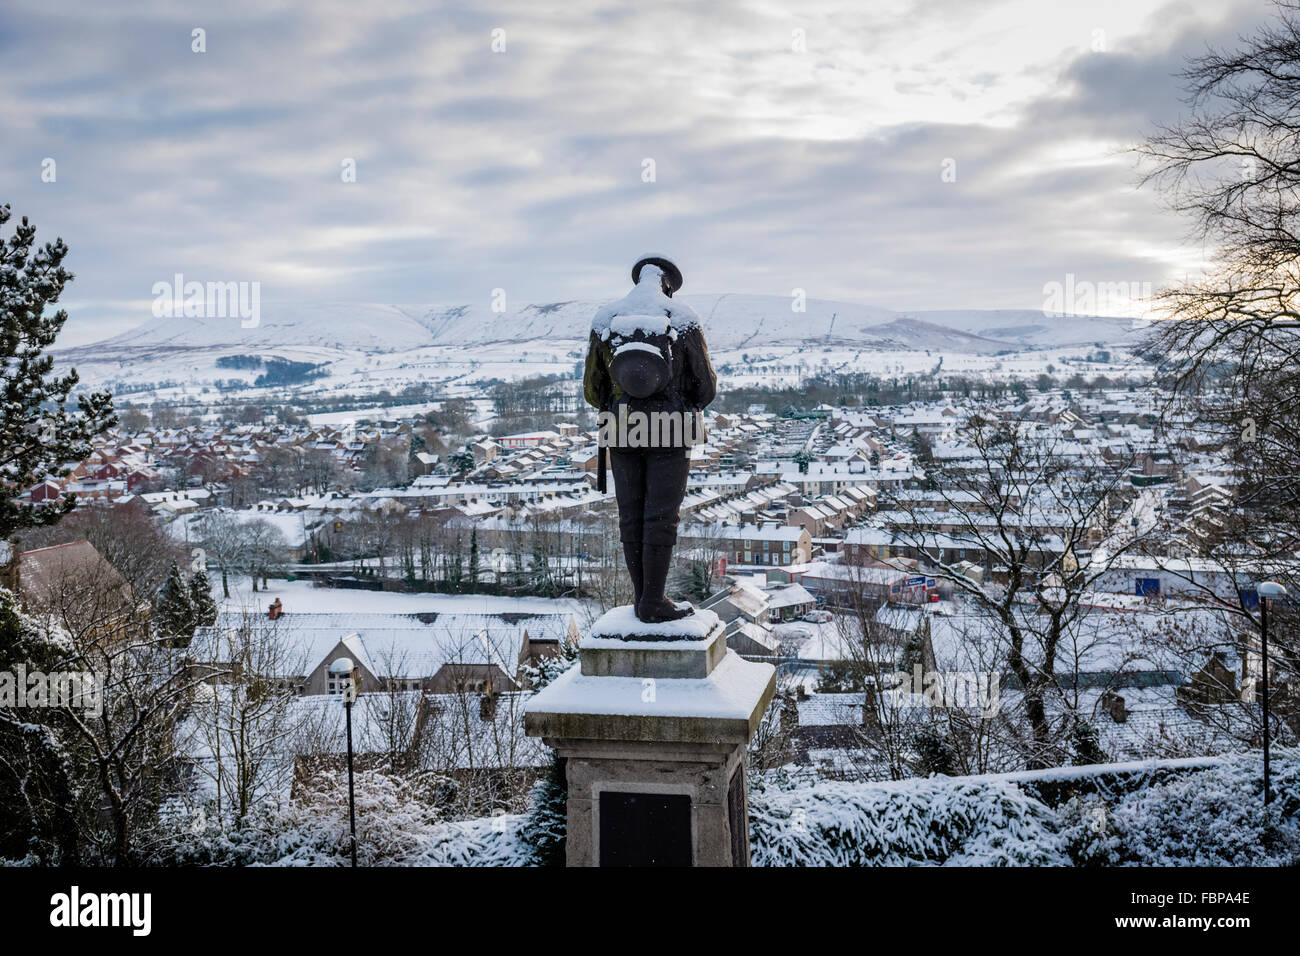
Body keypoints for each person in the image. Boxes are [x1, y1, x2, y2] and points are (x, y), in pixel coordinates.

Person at [584, 255, 717, 623]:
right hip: (672, 431)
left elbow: (593, 390)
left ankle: (643, 598)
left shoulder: (605, 320)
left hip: (621, 429)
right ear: (667, 285)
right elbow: (705, 388)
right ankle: (653, 602)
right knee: (661, 516)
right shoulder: (684, 320)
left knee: (631, 516)